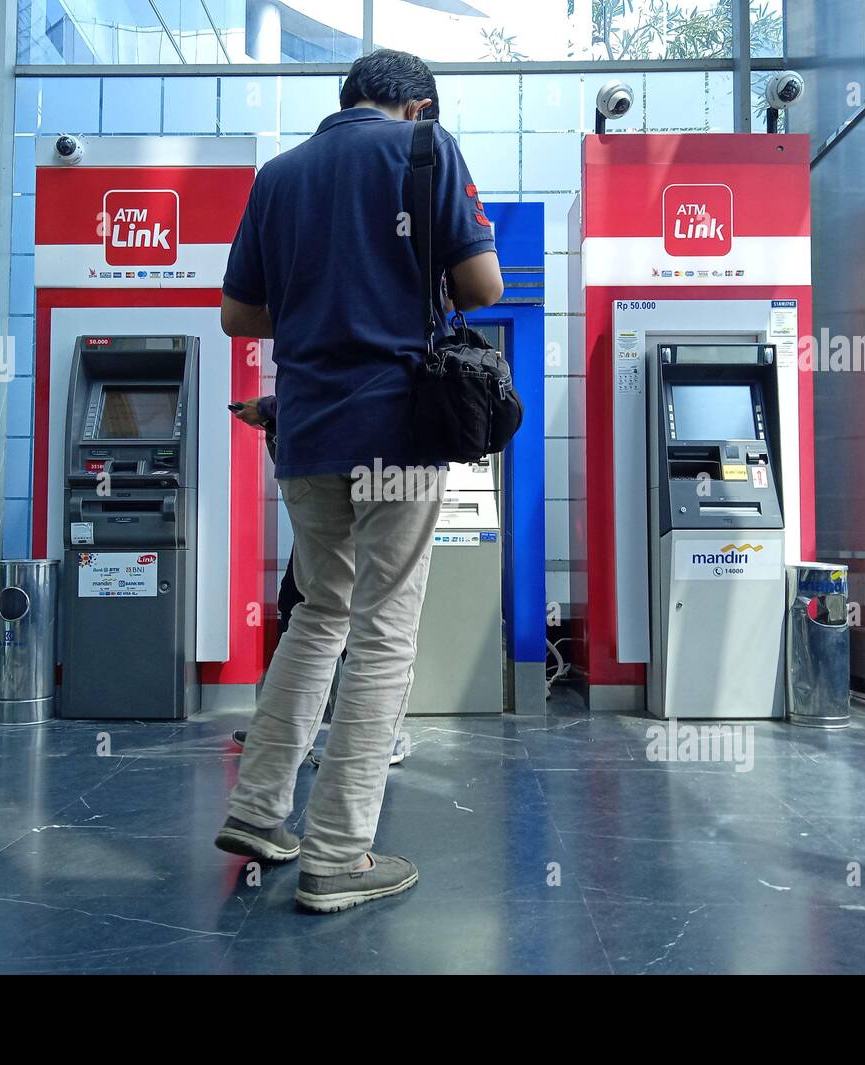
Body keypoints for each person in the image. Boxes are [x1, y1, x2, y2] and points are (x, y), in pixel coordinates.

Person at [213, 48, 503, 913]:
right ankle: (340, 851)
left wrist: (320, 303)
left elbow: (238, 313)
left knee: (319, 612)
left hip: (305, 430)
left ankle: (261, 807)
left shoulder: (278, 175)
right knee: (385, 629)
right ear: (418, 107)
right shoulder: (425, 150)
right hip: (397, 429)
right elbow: (481, 285)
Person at [228, 397, 410, 768]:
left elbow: (338, 390)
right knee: (307, 605)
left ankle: (373, 738)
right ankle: (287, 732)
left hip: (354, 476)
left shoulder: (338, 351)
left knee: (345, 615)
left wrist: (267, 409)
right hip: (359, 474)